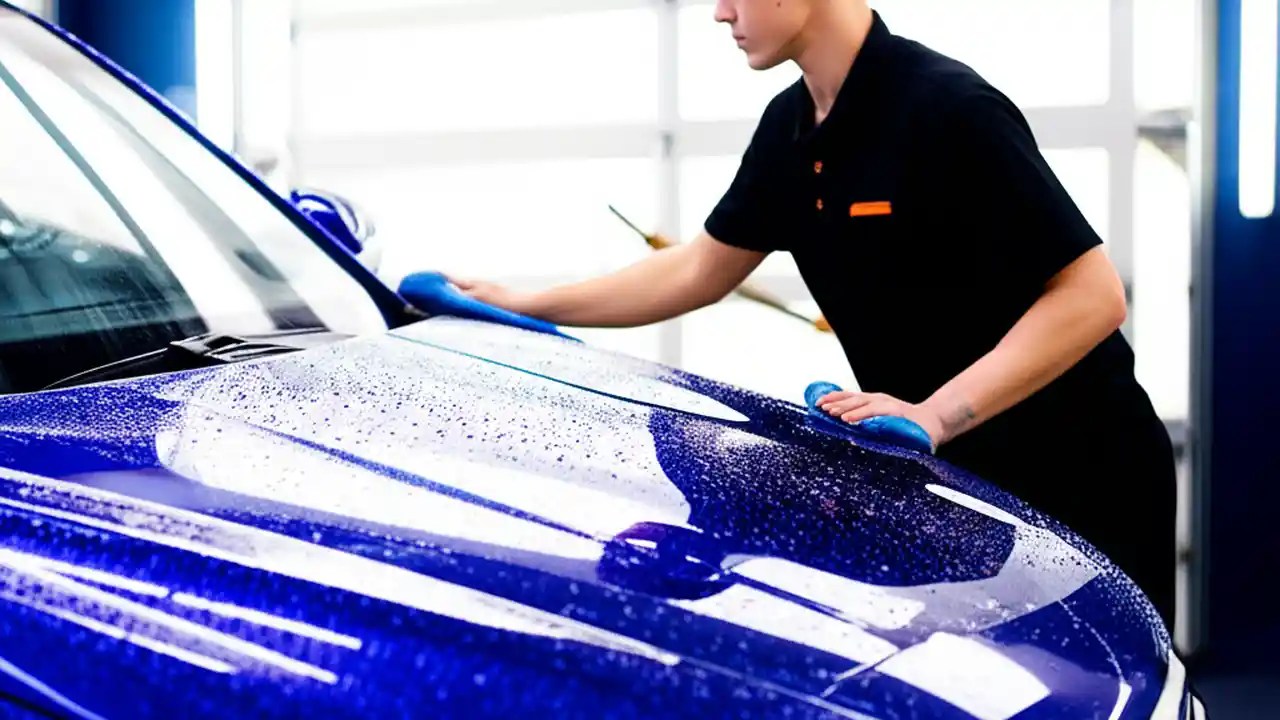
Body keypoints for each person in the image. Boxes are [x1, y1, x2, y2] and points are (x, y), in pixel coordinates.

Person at [449, 0, 1176, 628]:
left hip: (1081, 474)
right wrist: (519, 303)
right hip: (953, 478)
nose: (720, 13)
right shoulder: (791, 128)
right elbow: (699, 269)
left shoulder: (949, 107)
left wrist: (935, 415)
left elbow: (1092, 294)